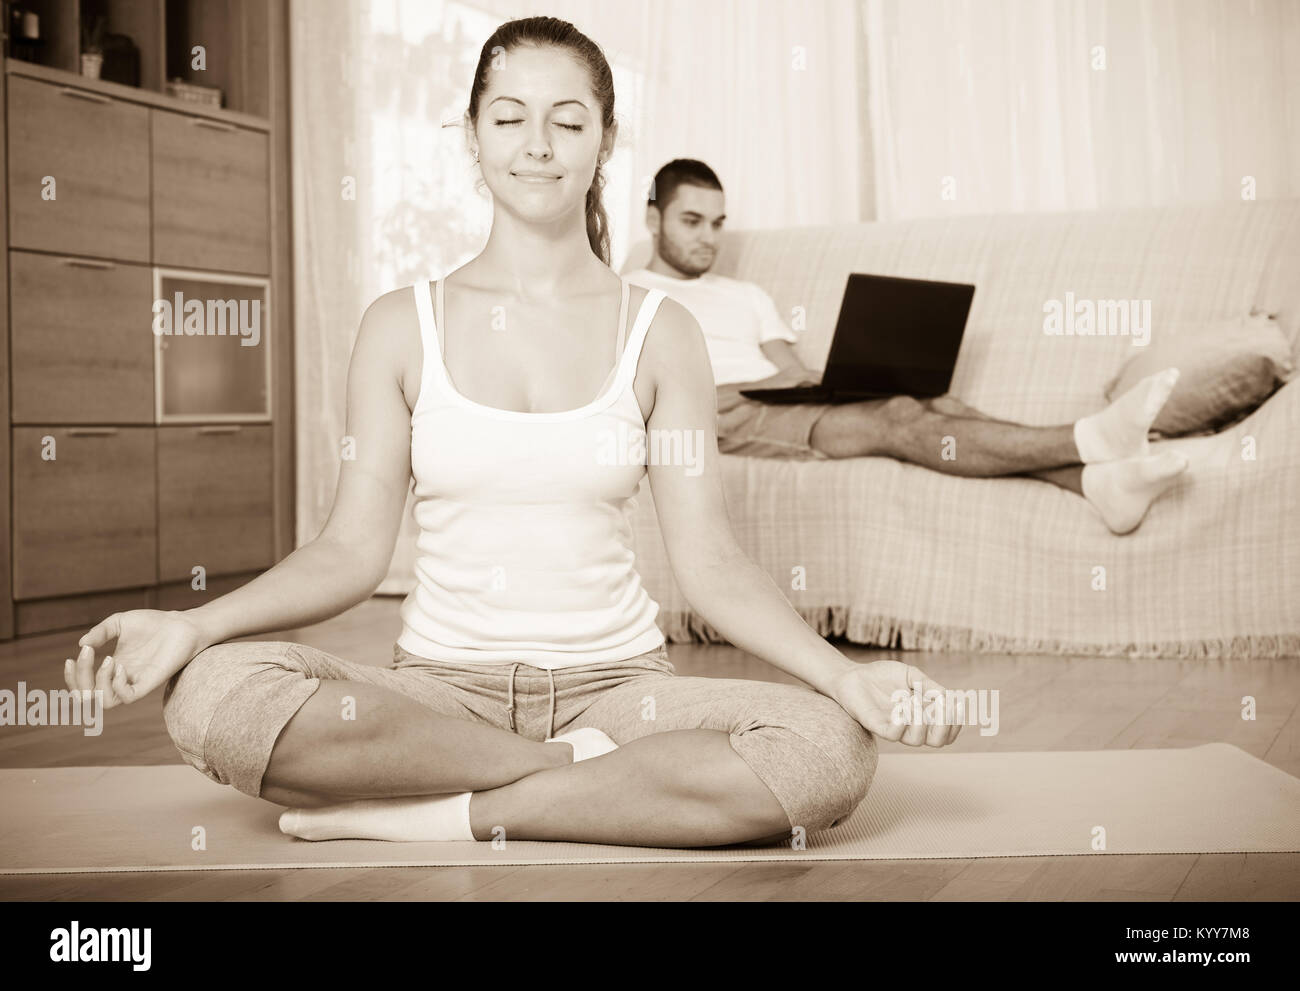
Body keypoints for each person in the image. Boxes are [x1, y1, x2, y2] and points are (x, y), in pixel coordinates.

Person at [64, 16, 960, 850]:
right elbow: (348, 551)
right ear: (472, 138)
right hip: (437, 697)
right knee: (211, 695)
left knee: (825, 747)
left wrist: (844, 678)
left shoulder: (662, 332)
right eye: (510, 119)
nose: (537, 146)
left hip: (621, 690)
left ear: (606, 142)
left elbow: (711, 561)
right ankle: (578, 781)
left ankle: (443, 811)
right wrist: (192, 627)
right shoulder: (399, 324)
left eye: (568, 123)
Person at [624, 160, 1189, 535]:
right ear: (653, 218)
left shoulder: (746, 293)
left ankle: (1095, 482)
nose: (708, 238)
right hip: (718, 409)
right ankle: (1088, 438)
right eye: (692, 221)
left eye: (718, 224)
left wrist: (849, 379)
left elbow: (792, 372)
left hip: (782, 400)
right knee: (898, 417)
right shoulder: (628, 291)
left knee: (936, 404)